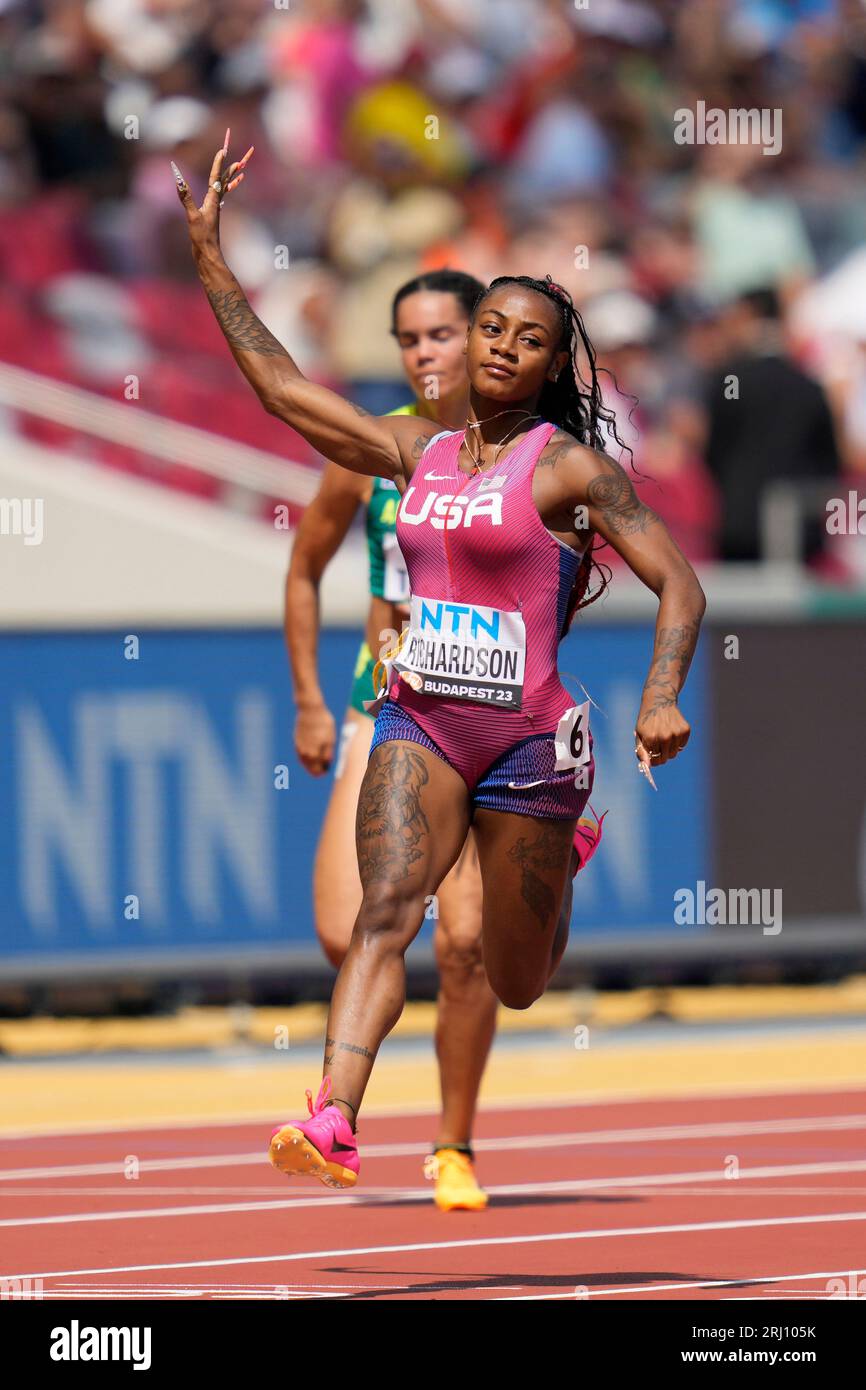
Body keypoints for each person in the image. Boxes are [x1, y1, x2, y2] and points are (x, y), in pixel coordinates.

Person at [174, 144, 705, 1191]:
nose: (504, 347)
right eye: (491, 329)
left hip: (526, 742)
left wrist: (657, 696)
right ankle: (332, 1115)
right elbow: (283, 389)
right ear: (466, 347)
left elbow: (679, 586)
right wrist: (210, 259)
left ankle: (564, 851)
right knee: (386, 912)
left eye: (529, 339)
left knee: (510, 977)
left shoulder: (568, 471)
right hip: (421, 719)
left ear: (553, 364)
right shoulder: (409, 452)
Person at [285, 269, 498, 1211]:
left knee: (465, 944)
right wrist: (311, 701)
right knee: (349, 929)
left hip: (488, 723)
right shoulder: (375, 449)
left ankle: (452, 1141)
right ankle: (346, 1085)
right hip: (390, 705)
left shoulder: (526, 452)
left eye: (442, 334)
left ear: (484, 339)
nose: (424, 353)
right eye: (409, 338)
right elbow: (303, 569)